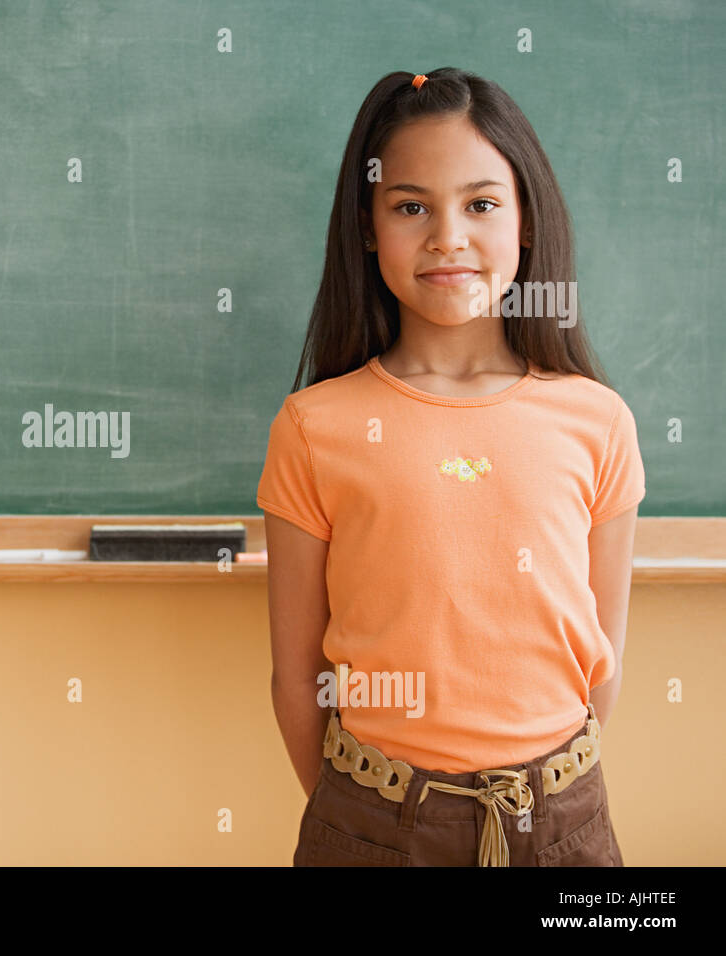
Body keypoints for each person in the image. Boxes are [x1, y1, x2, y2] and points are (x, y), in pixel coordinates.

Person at [258, 69, 645, 866]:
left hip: (566, 824)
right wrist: (374, 821)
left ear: (526, 222)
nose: (447, 237)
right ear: (367, 227)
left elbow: (599, 659)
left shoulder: (597, 420)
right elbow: (299, 681)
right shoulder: (314, 427)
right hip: (371, 822)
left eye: (480, 203)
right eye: (410, 207)